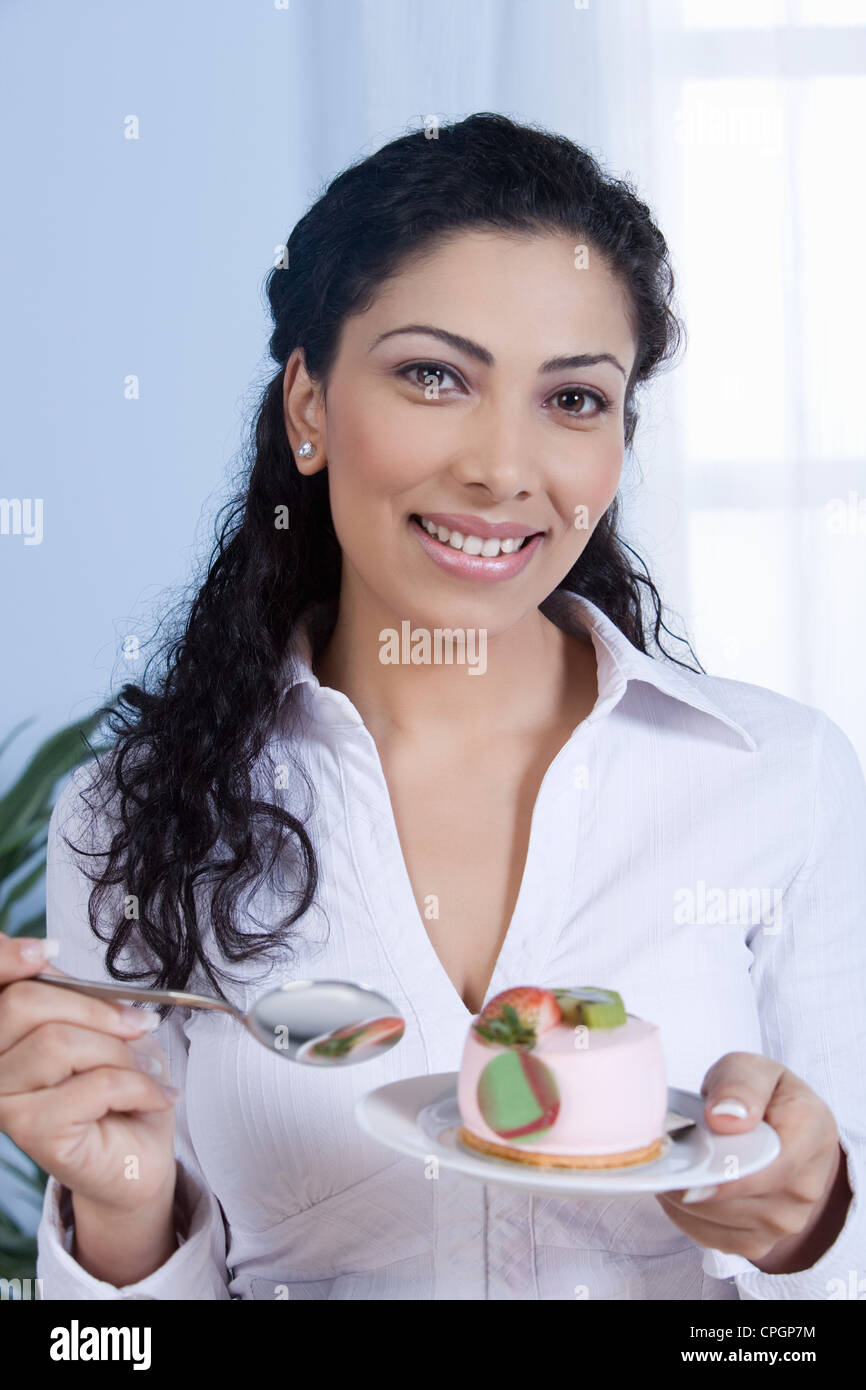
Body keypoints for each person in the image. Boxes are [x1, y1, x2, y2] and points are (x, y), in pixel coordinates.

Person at [3, 112, 863, 1300]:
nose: (503, 468)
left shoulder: (780, 778)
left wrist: (806, 1222)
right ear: (307, 404)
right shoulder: (131, 815)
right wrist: (121, 1220)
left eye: (572, 400)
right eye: (432, 376)